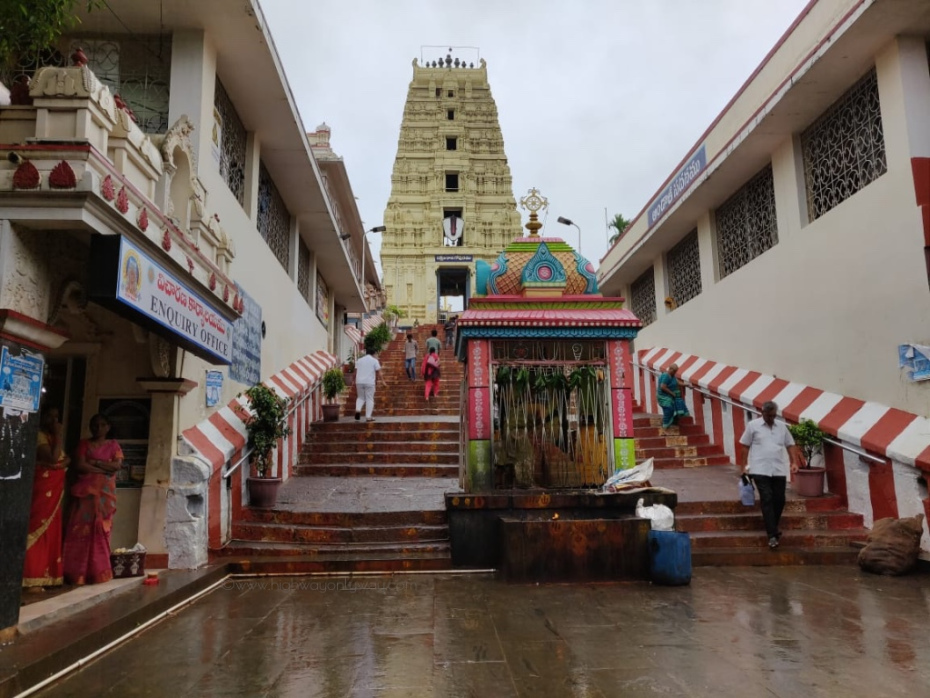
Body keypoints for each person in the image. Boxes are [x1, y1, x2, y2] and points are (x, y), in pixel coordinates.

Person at [63, 414, 123, 585]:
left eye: (102, 425)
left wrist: (94, 462)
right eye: (94, 425)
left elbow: (117, 466)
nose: (98, 428)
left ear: (108, 427)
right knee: (80, 530)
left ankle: (98, 572)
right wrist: (104, 468)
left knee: (101, 530)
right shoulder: (84, 444)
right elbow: (79, 465)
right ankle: (77, 573)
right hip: (86, 493)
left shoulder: (113, 445)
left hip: (105, 496)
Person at [738, 401, 801, 550]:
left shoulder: (782, 427)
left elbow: (790, 445)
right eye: (769, 415)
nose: (772, 418)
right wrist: (743, 467)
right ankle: (772, 535)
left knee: (779, 500)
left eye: (774, 415)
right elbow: (745, 446)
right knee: (766, 498)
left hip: (778, 469)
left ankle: (772, 526)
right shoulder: (753, 426)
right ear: (763, 412)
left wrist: (794, 462)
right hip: (759, 469)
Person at [22, 407, 70, 590]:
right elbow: (53, 458)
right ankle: (29, 576)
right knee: (36, 529)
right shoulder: (39, 436)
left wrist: (60, 463)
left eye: (56, 416)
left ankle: (45, 576)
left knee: (50, 532)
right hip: (41, 492)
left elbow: (65, 460)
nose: (54, 420)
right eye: (49, 416)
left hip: (53, 494)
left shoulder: (49, 438)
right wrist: (58, 435)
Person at [354, 341, 386, 422]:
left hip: (359, 381)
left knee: (360, 397)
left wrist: (354, 380)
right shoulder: (374, 361)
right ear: (374, 353)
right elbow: (379, 372)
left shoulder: (359, 360)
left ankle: (358, 409)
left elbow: (355, 371)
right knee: (369, 399)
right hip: (369, 382)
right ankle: (368, 417)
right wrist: (383, 382)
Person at [657, 363, 689, 429]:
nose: (675, 372)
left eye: (676, 371)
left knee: (677, 406)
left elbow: (678, 382)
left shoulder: (672, 376)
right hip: (663, 396)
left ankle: (672, 421)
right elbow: (663, 387)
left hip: (670, 396)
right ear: (670, 369)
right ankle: (665, 424)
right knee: (669, 408)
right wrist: (672, 393)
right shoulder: (666, 376)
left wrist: (687, 385)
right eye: (674, 371)